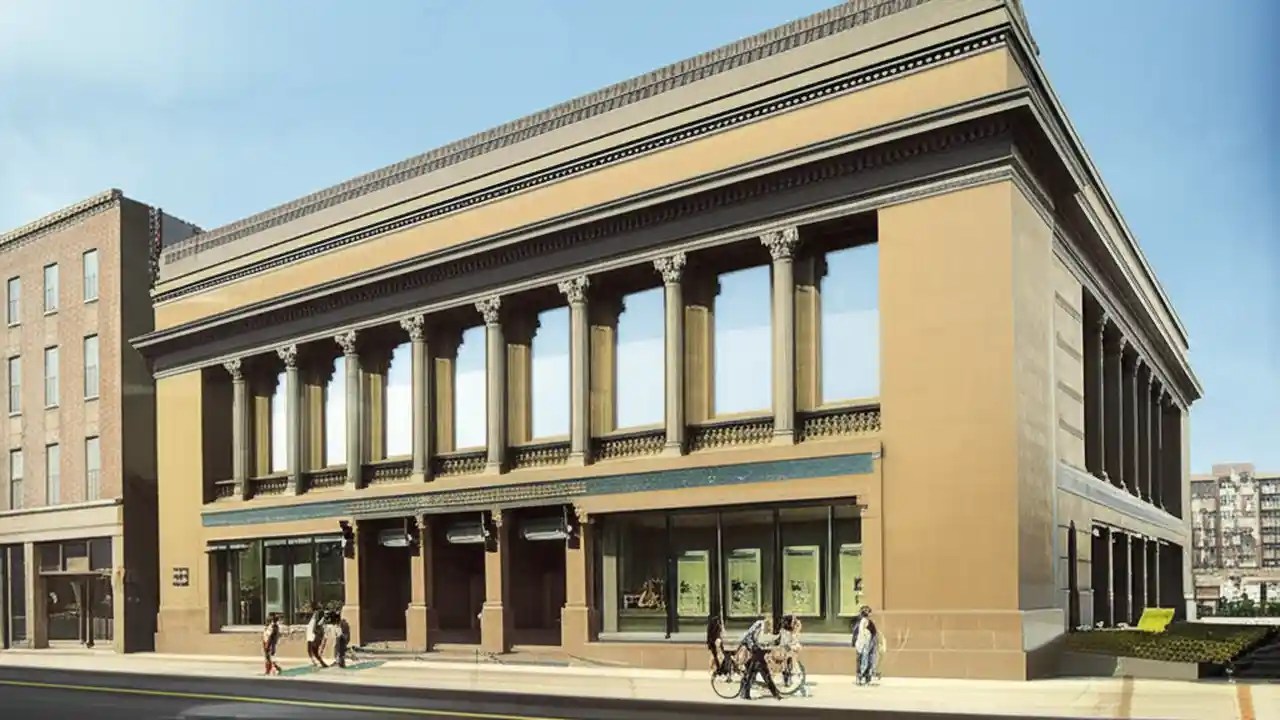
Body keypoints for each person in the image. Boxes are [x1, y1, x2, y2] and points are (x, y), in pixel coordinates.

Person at [737, 616, 782, 701]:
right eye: (770, 625)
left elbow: (764, 642)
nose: (770, 627)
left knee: (754, 671)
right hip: (754, 649)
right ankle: (775, 694)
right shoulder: (759, 625)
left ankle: (745, 693)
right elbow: (749, 636)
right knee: (759, 672)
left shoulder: (763, 629)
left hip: (757, 650)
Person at [851, 606, 881, 686]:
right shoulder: (861, 623)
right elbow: (856, 634)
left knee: (867, 661)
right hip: (862, 644)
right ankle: (860, 677)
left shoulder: (869, 623)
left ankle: (866, 678)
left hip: (868, 645)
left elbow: (874, 634)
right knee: (862, 661)